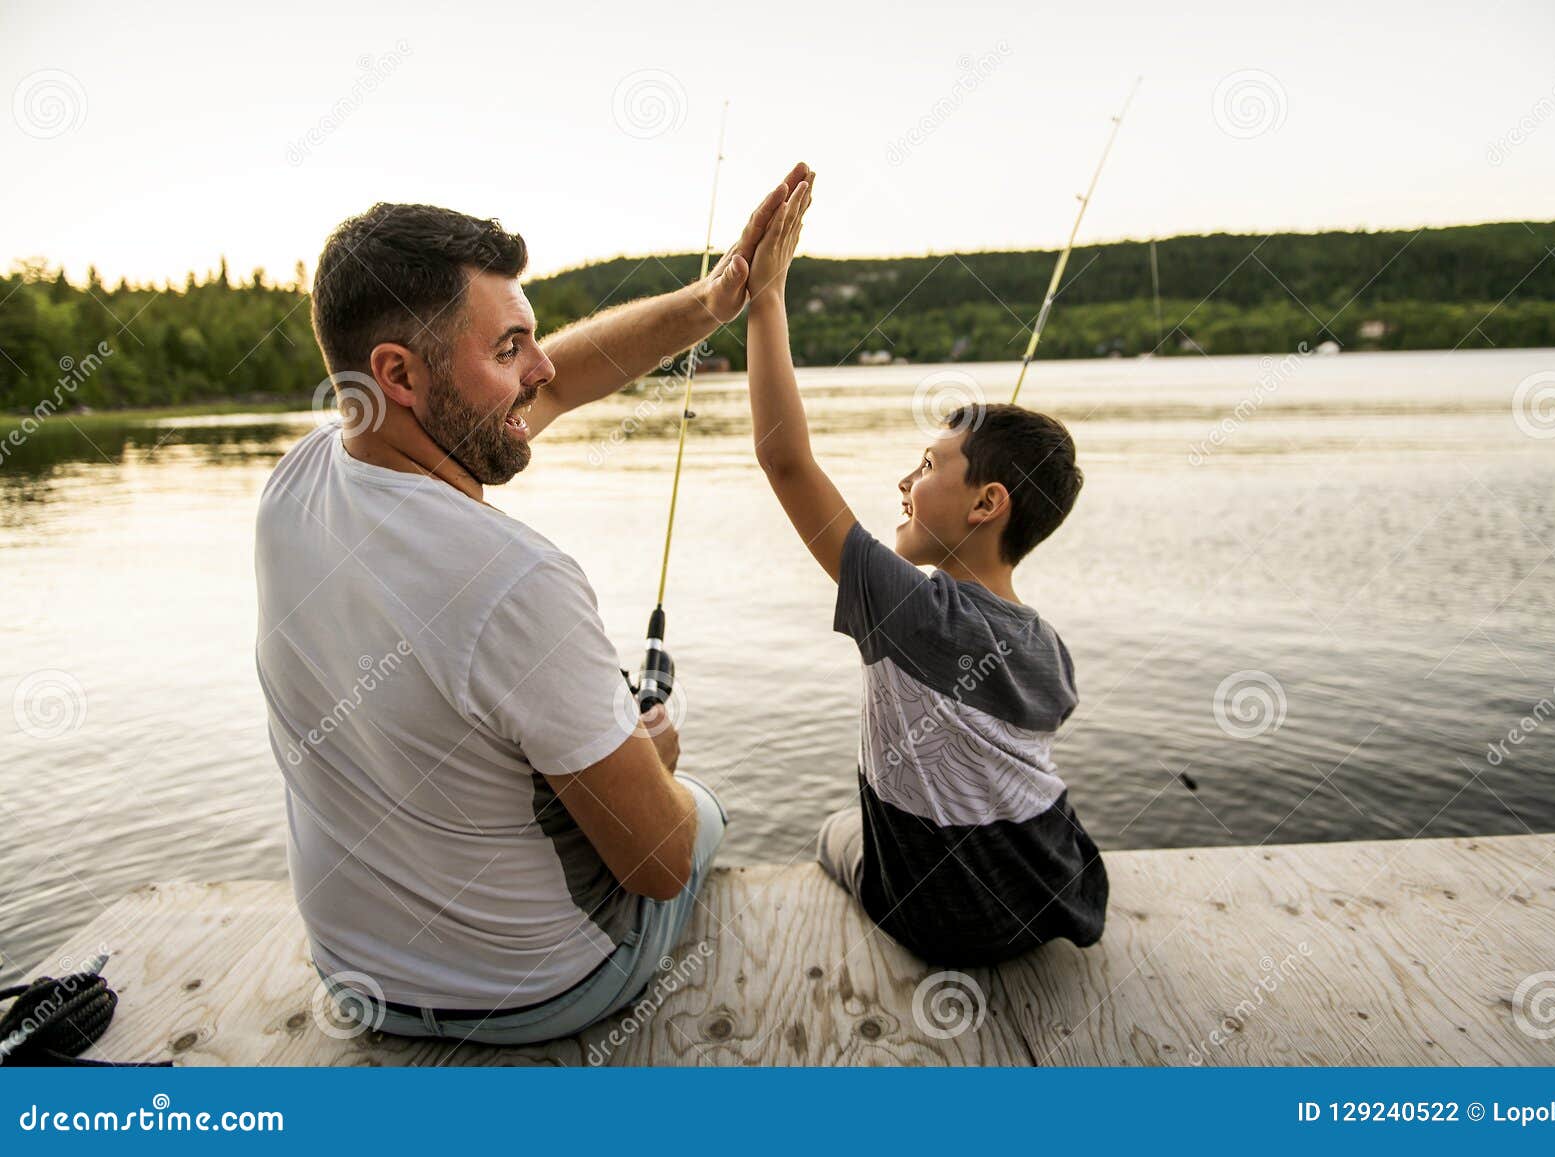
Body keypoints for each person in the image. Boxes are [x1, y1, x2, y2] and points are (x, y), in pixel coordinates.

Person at [254, 166, 807, 1045]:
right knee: (694, 808)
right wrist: (648, 757)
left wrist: (709, 303)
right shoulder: (517, 581)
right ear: (400, 373)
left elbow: (558, 382)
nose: (542, 369)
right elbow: (657, 865)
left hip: (354, 975)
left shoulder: (296, 483)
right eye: (509, 347)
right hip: (531, 993)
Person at [741, 170, 1109, 965]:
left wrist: (766, 297)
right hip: (1056, 891)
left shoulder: (911, 609)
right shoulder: (1048, 645)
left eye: (928, 466)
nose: (904, 486)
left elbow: (785, 461)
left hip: (946, 922)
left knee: (834, 831)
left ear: (986, 505)